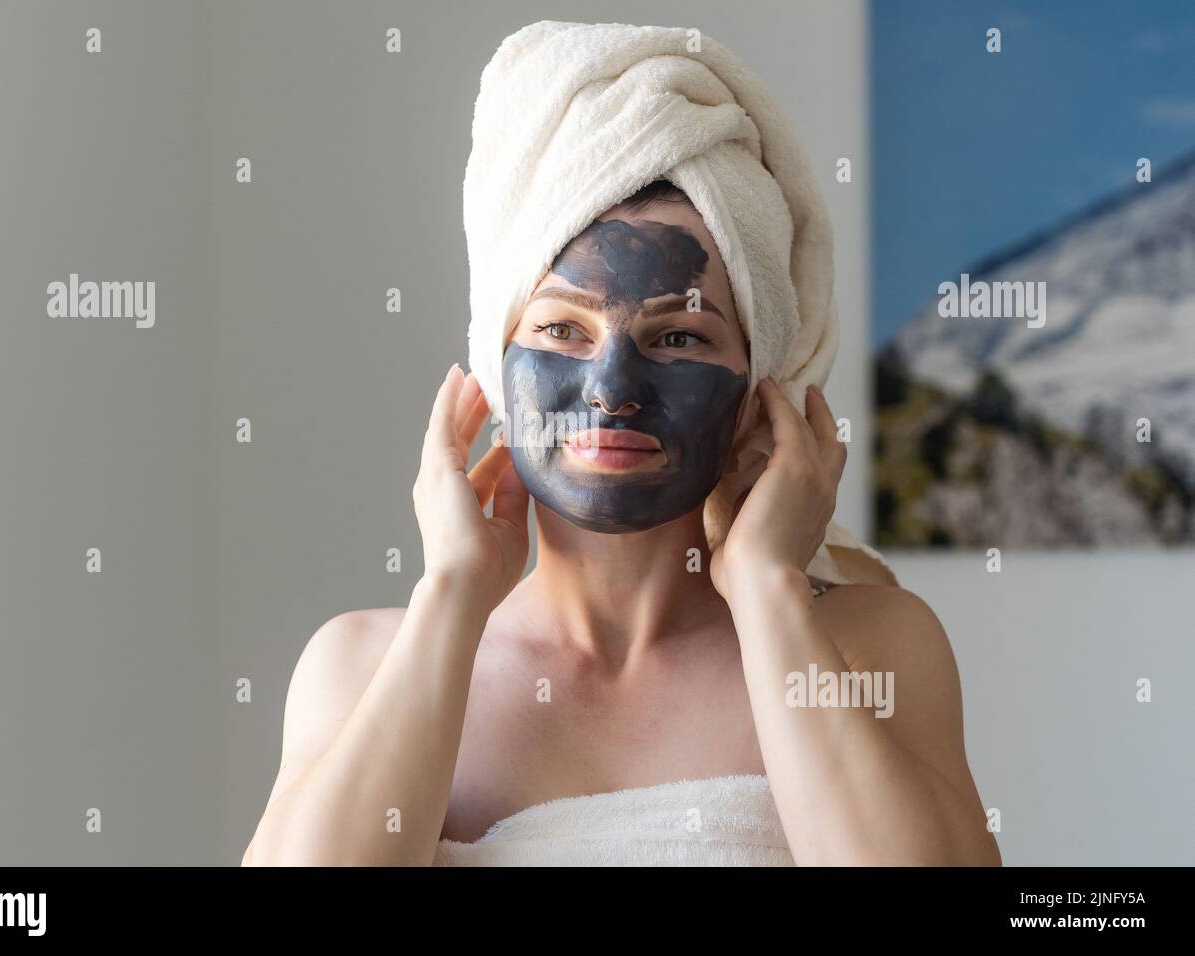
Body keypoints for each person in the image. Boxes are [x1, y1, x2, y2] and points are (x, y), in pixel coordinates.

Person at [240, 177, 1002, 866]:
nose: (611, 390)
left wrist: (769, 589)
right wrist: (452, 595)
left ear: (757, 392)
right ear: (495, 372)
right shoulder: (360, 665)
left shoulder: (871, 648)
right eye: (562, 331)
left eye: (678, 337)